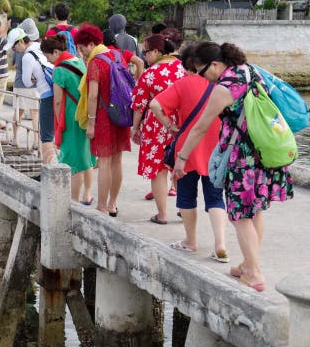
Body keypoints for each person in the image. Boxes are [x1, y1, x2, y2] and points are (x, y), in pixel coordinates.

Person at [172, 42, 294, 292]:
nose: (203, 77)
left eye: (202, 71)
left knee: (240, 216)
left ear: (215, 65)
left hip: (242, 158)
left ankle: (255, 274)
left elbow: (200, 127)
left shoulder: (225, 88)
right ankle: (249, 264)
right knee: (256, 210)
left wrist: (181, 159)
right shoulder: (251, 71)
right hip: (264, 151)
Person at [149, 42, 228, 262]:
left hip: (187, 146)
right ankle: (220, 245)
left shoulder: (183, 84)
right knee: (215, 197)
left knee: (186, 195)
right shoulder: (221, 85)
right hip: (216, 146)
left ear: (190, 64)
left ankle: (190, 241)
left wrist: (169, 125)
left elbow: (155, 104)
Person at [76, 23, 131, 217]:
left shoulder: (95, 63)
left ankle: (101, 205)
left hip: (103, 116)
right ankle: (112, 204)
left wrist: (91, 122)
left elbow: (92, 96)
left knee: (105, 162)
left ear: (90, 44)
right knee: (117, 161)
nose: (81, 53)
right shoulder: (118, 55)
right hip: (121, 114)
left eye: (82, 48)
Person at [130, 34, 186, 224]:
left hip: (157, 124)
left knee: (158, 169)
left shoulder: (150, 73)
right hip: (181, 122)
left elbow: (139, 105)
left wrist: (134, 128)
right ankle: (184, 209)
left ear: (156, 51)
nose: (144, 56)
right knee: (180, 165)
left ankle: (162, 214)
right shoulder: (183, 68)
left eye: (146, 52)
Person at [44, 35, 95, 202]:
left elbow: (58, 100)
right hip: (85, 114)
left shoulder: (59, 70)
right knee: (86, 157)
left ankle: (73, 200)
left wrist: (59, 123)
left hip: (71, 117)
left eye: (48, 56)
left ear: (56, 52)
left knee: (74, 163)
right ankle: (87, 195)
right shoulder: (78, 60)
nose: (48, 60)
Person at [5, 26, 55, 163]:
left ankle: (48, 167)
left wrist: (33, 77)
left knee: (46, 137)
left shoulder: (27, 56)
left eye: (14, 48)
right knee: (50, 130)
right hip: (55, 90)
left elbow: (27, 82)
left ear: (21, 42)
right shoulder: (39, 46)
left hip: (46, 95)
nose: (14, 51)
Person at [11, 18, 41, 149]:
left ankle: (15, 139)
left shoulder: (18, 45)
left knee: (18, 112)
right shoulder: (38, 47)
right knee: (35, 113)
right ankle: (36, 140)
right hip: (34, 85)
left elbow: (14, 63)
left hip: (19, 83)